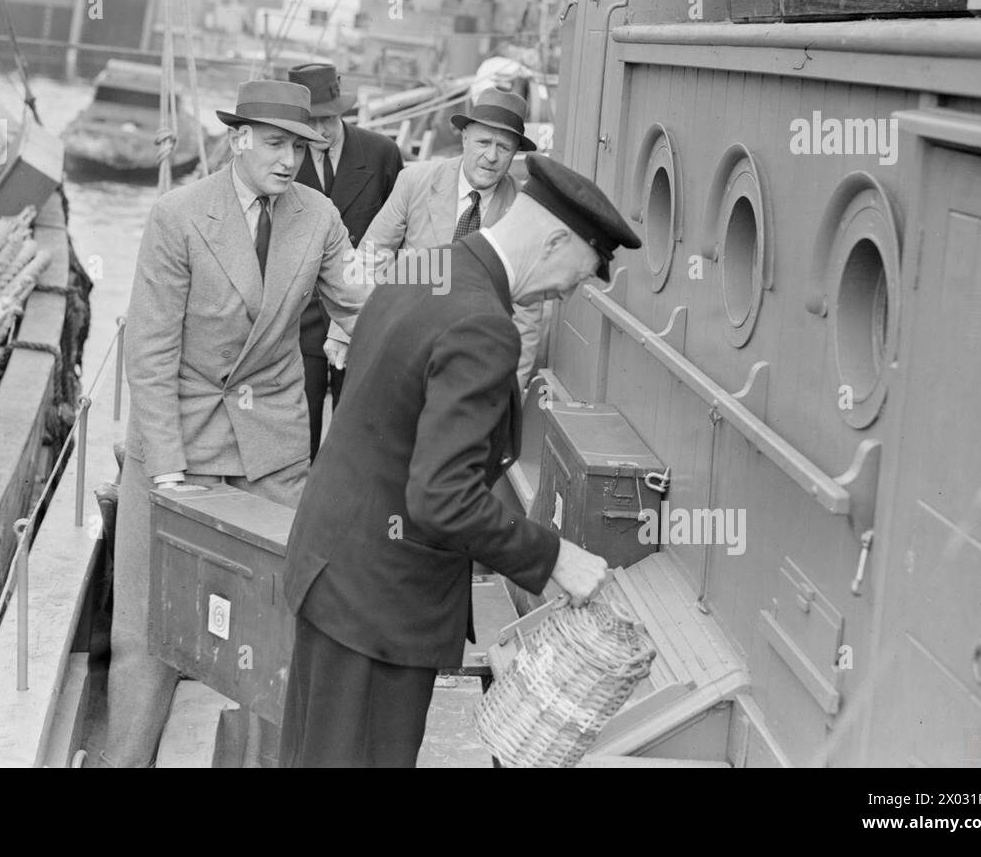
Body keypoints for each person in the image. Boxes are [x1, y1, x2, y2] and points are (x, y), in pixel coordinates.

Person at [278, 153, 643, 768]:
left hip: (333, 568)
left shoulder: (430, 263)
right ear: (554, 239)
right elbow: (441, 496)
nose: (566, 294)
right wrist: (555, 557)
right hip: (382, 609)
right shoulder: (484, 326)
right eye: (577, 278)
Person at [105, 79, 368, 768]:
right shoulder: (179, 215)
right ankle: (123, 761)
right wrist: (165, 469)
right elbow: (151, 349)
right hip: (179, 443)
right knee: (147, 634)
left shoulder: (319, 219)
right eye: (276, 144)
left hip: (272, 453)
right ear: (239, 139)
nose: (289, 161)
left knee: (274, 637)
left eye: (301, 148)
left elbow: (364, 308)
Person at [360, 87, 543, 389]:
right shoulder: (414, 181)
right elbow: (369, 257)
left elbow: (527, 315)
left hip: (476, 365)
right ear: (464, 137)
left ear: (515, 153)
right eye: (483, 142)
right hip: (402, 348)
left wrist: (508, 391)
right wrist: (351, 334)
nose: (492, 156)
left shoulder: (525, 211)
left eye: (504, 147)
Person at [288, 61, 402, 458]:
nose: (320, 131)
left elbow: (399, 242)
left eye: (329, 119)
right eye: (311, 121)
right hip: (297, 328)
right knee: (299, 438)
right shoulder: (281, 164)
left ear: (342, 111)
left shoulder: (382, 154)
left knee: (355, 437)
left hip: (361, 320)